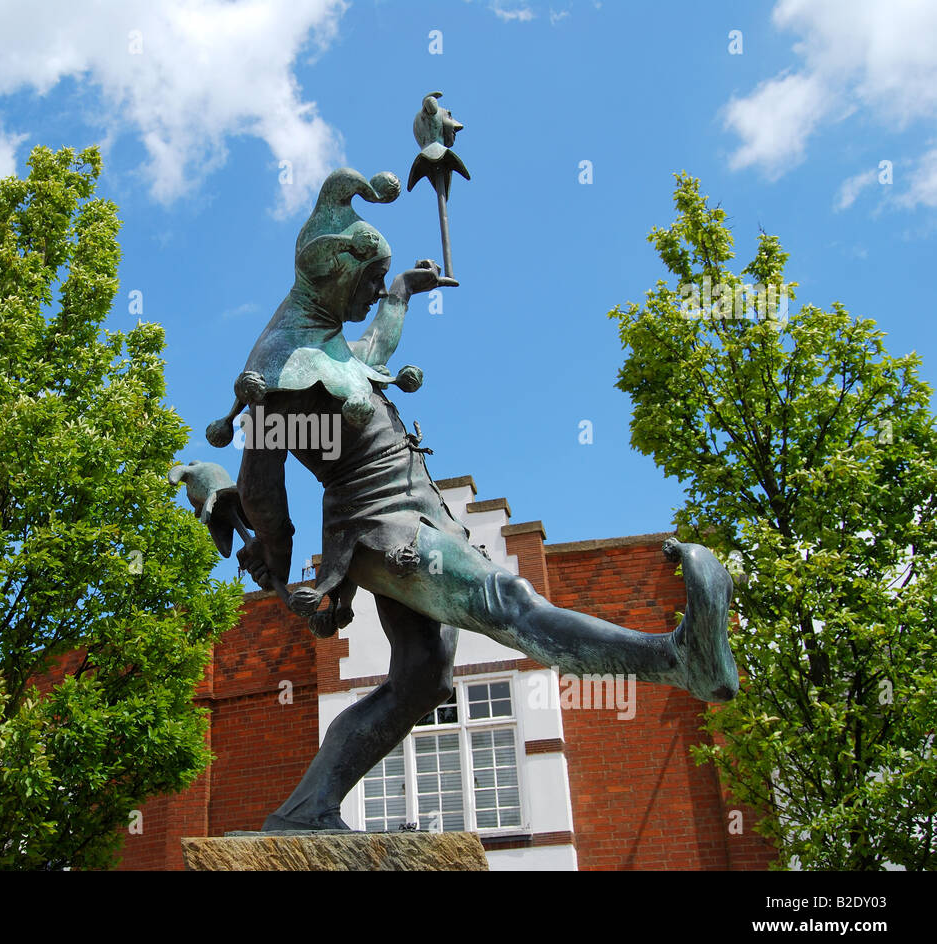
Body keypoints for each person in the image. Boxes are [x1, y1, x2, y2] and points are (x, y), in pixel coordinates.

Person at [210, 168, 739, 831]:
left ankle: (304, 810)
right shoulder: (282, 367)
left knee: (423, 680)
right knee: (509, 602)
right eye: (370, 279)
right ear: (331, 273)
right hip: (382, 531)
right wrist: (281, 564)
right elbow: (261, 484)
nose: (373, 289)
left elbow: (369, 353)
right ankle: (675, 658)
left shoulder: (322, 339)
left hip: (409, 512)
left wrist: (401, 294)